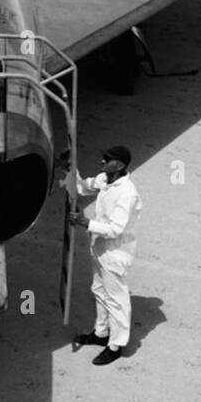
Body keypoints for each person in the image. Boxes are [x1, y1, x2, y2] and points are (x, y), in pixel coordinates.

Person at [69, 145, 142, 365]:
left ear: (119, 165)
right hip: (99, 247)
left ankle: (116, 345)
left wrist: (85, 222)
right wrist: (71, 168)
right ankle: (101, 334)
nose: (102, 161)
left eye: (107, 159)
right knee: (99, 290)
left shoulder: (126, 193)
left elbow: (115, 229)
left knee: (116, 300)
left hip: (116, 252)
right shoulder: (104, 179)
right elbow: (82, 188)